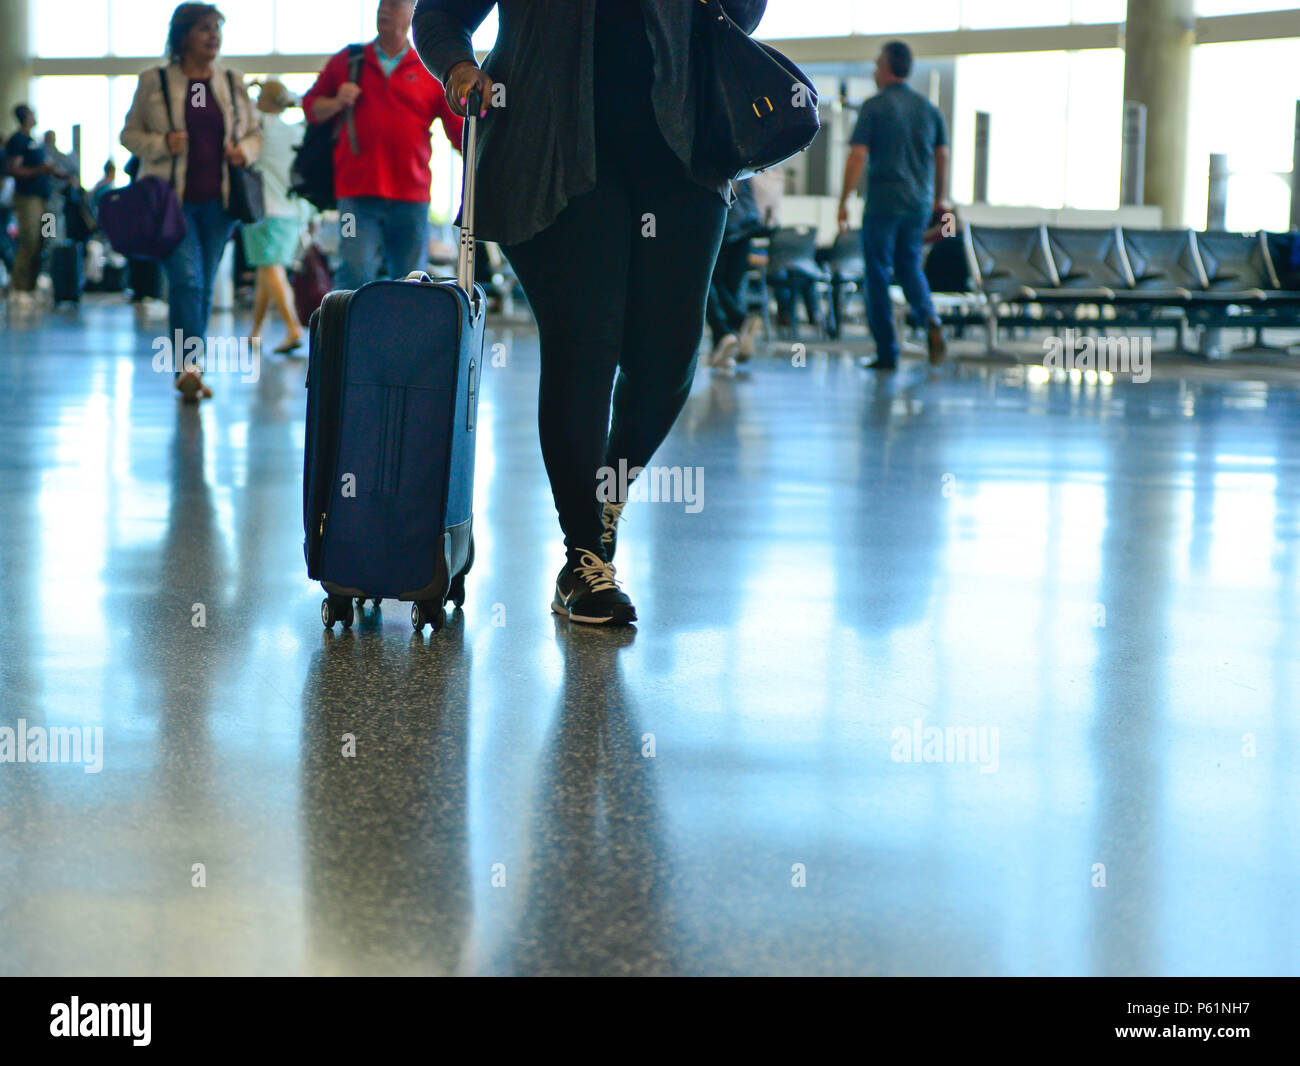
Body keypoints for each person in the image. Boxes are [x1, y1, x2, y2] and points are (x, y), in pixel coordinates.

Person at [414, 0, 768, 626]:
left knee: (667, 362)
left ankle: (605, 495)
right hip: (553, 153)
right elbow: (441, 13)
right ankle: (584, 556)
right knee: (585, 349)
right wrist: (459, 66)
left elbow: (742, 11)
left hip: (682, 154)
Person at [121, 3, 262, 402]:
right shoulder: (155, 80)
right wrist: (162, 143)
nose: (214, 36)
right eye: (204, 29)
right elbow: (129, 134)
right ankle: (188, 366)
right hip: (170, 201)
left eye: (217, 28)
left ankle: (191, 367)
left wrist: (244, 152)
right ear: (183, 35)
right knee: (187, 280)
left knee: (202, 285)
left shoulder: (232, 82)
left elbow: (254, 133)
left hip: (220, 203)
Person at [303, 0, 463, 292]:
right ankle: (351, 337)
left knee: (411, 280)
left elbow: (457, 131)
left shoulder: (429, 70)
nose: (383, 10)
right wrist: (337, 101)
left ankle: (404, 337)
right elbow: (311, 108)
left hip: (411, 196)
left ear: (412, 14)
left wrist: (487, 158)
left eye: (392, 4)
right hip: (356, 193)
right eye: (381, 5)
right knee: (353, 272)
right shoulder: (349, 61)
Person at [837, 40, 949, 371]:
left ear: (886, 68)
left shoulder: (874, 106)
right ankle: (930, 318)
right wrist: (939, 197)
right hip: (918, 200)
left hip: (884, 200)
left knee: (877, 273)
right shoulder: (929, 109)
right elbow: (941, 155)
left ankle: (887, 352)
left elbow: (858, 155)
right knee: (909, 266)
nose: (873, 70)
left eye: (876, 64)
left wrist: (844, 200)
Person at [243, 79, 306, 354]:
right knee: (267, 271)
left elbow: (239, 110)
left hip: (265, 209)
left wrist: (248, 87)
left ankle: (293, 328)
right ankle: (255, 332)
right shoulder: (296, 132)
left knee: (271, 268)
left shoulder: (261, 126)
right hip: (292, 211)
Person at [5, 104, 68, 312]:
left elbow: (45, 167)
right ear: (25, 117)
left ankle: (30, 287)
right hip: (28, 198)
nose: (35, 116)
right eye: (32, 114)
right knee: (29, 240)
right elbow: (14, 169)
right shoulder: (18, 141)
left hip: (45, 200)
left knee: (42, 241)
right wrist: (40, 170)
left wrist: (57, 173)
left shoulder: (34, 141)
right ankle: (18, 288)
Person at [705, 176, 764, 371]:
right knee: (729, 285)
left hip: (721, 219)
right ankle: (722, 348)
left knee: (707, 281)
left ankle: (731, 327)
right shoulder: (743, 150)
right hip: (744, 226)